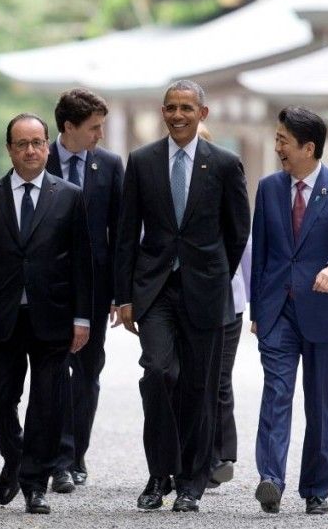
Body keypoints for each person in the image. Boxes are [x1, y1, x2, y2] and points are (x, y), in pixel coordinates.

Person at [115, 80, 250, 513]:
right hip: (154, 289)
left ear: (202, 114)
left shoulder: (225, 164)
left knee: (200, 386)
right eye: (171, 107)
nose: (178, 115)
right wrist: (124, 296)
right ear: (162, 111)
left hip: (206, 290)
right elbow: (125, 233)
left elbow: (237, 231)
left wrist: (214, 274)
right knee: (157, 372)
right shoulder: (141, 161)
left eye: (186, 108)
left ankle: (191, 481)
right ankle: (159, 473)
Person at [0, 113, 92, 514]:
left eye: (37, 142)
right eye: (22, 143)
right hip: (4, 316)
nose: (31, 150)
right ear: (9, 149)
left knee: (48, 403)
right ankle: (15, 454)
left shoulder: (68, 195)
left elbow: (83, 263)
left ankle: (35, 483)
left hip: (53, 316)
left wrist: (82, 318)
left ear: (48, 146)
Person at [250, 106, 328, 515]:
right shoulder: (268, 188)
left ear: (308, 147)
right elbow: (261, 252)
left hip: (324, 309)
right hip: (277, 308)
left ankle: (316, 488)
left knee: (320, 401)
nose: (277, 146)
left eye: (284, 140)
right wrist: (257, 309)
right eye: (277, 138)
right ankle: (270, 478)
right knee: (276, 392)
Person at [44, 89, 124, 492]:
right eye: (94, 128)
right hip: (50, 286)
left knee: (88, 373)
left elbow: (121, 233)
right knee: (54, 371)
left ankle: (76, 455)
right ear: (69, 127)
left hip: (95, 287)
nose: (100, 135)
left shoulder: (109, 165)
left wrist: (120, 293)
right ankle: (57, 457)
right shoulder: (40, 159)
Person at [197, 122, 251, 489]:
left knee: (219, 377)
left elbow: (242, 240)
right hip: (181, 296)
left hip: (227, 296)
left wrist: (252, 299)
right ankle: (192, 453)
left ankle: (221, 454)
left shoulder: (226, 178)